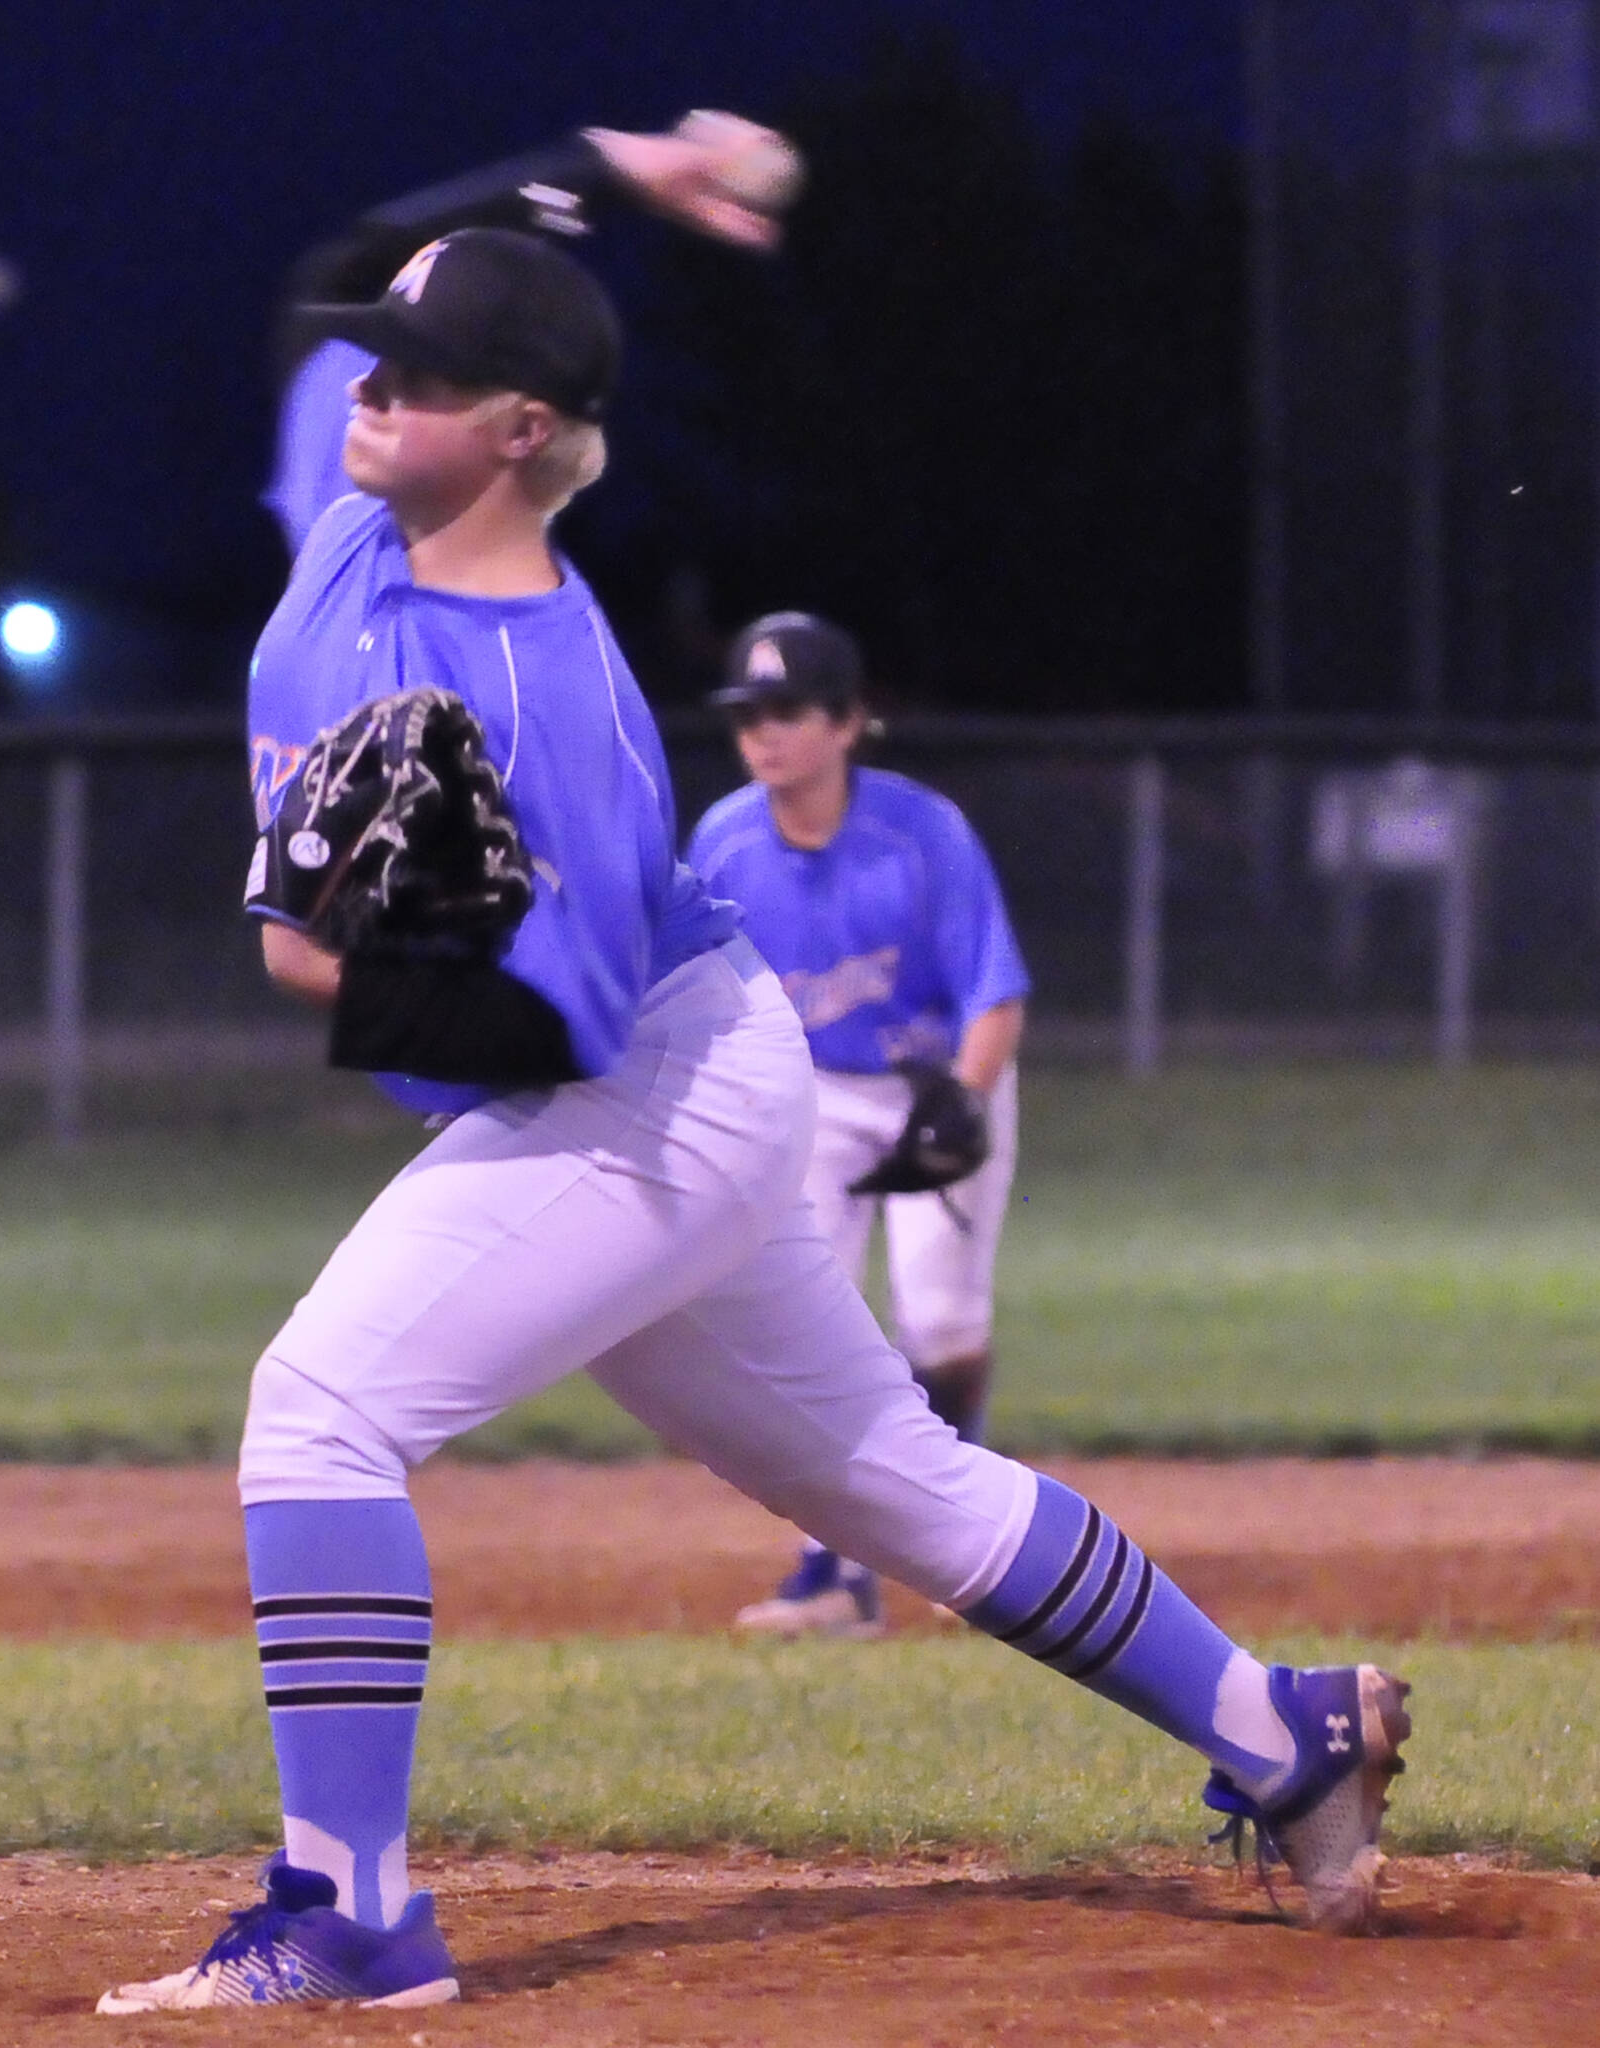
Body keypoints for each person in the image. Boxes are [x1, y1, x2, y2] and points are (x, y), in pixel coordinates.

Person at [95, 121, 1410, 2017]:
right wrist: (603, 167)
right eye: (376, 361)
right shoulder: (353, 509)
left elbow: (541, 1027)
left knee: (320, 1415)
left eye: (418, 374)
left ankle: (351, 1916)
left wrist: (317, 951)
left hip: (641, 1086)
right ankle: (1285, 1733)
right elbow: (348, 259)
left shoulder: (547, 705)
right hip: (676, 1073)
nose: (368, 389)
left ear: (523, 431)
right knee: (895, 1483)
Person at [687, 613, 1026, 1639]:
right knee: (812, 1337)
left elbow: (995, 992)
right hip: (808, 1099)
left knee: (942, 1323)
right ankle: (835, 1576)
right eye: (748, 713)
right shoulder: (724, 842)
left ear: (846, 722)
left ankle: (964, 1542)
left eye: (787, 710)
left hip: (936, 1082)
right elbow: (691, 997)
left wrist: (964, 1098)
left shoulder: (923, 833)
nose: (762, 732)